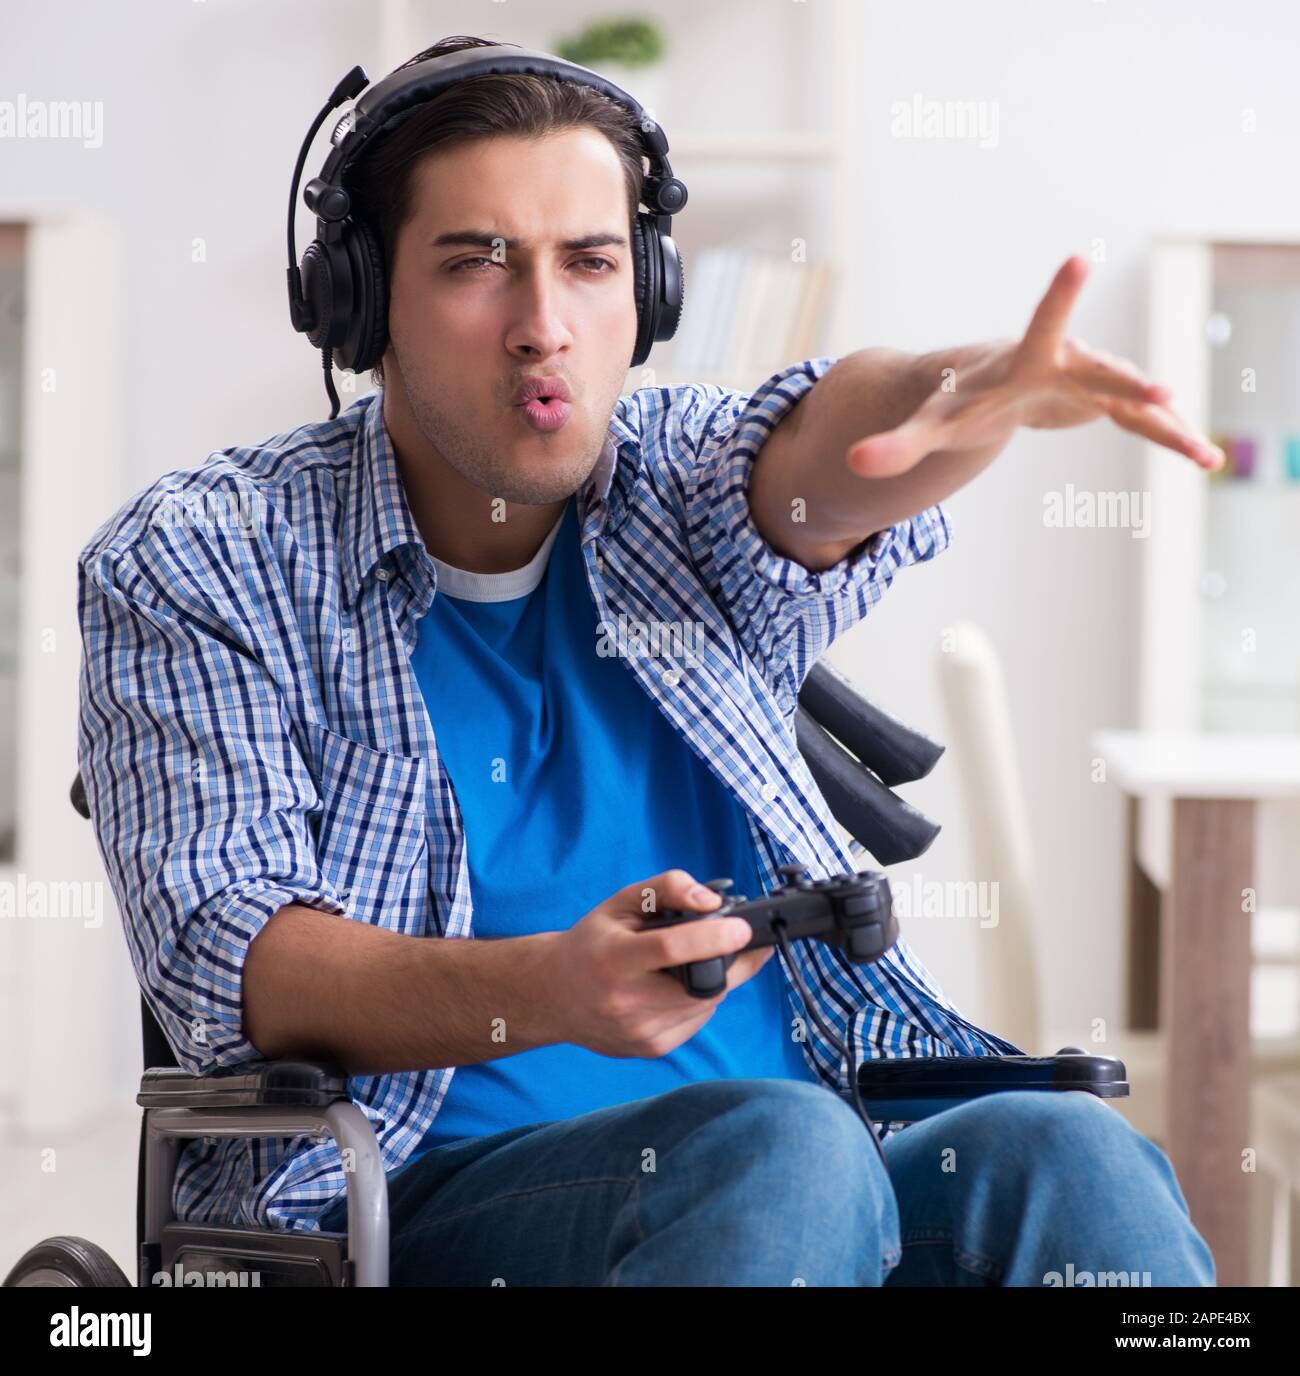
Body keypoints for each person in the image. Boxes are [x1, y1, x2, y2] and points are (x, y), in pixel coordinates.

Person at [76, 34, 1218, 1286]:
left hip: (818, 1182)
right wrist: (550, 986)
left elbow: (818, 455)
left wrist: (969, 387)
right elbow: (232, 959)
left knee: (1070, 1149)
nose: (542, 327)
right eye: (476, 263)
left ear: (649, 293)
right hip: (417, 1207)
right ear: (360, 301)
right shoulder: (204, 554)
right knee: (782, 1150)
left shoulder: (673, 485)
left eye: (590, 262)